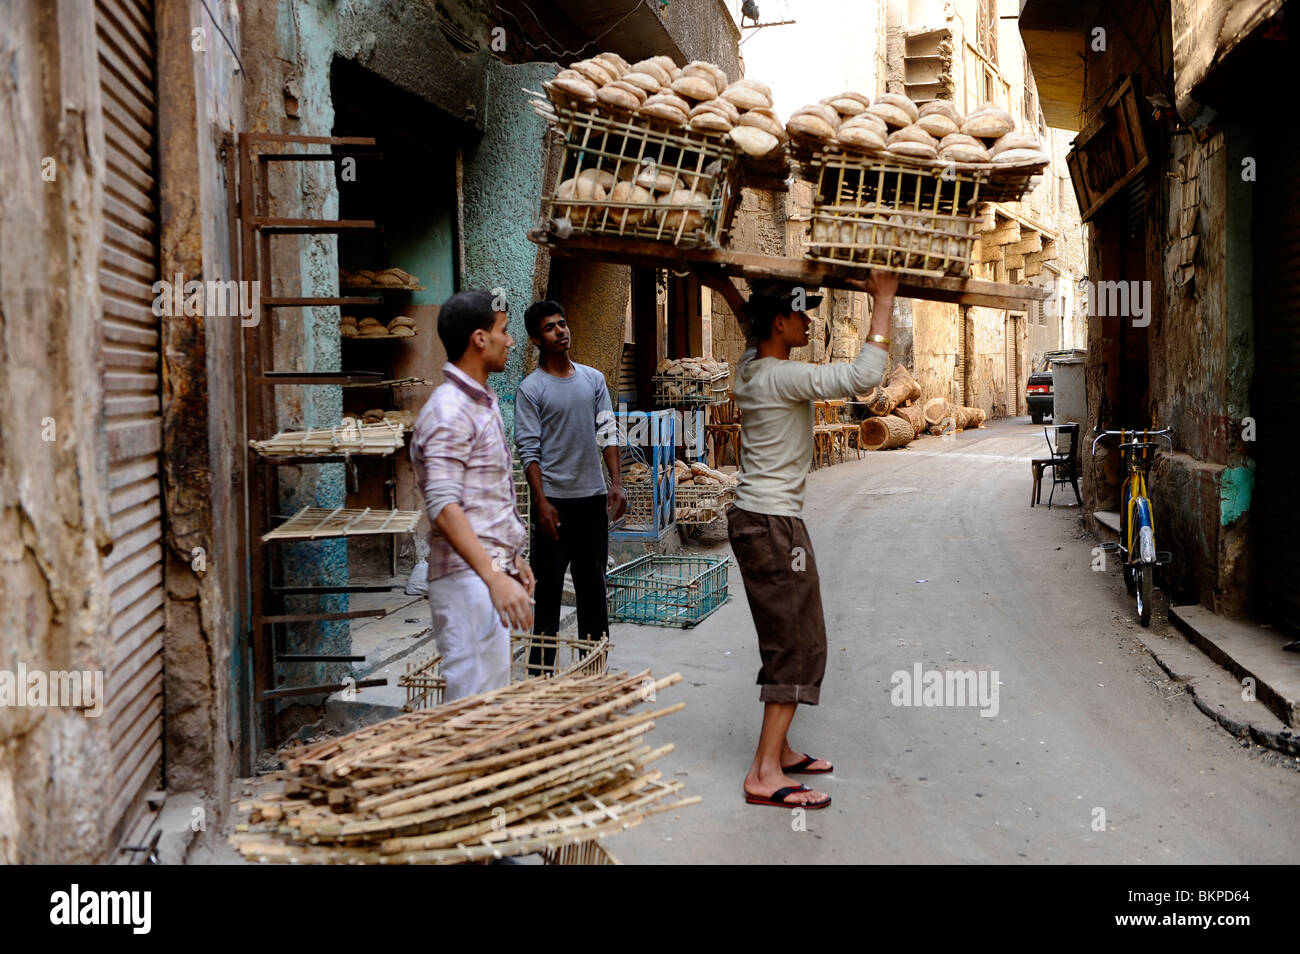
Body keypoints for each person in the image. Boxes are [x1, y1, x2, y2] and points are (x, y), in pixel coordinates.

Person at [703, 271, 898, 810]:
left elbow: (750, 326)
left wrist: (720, 287)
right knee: (798, 644)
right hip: (772, 526)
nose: (809, 322)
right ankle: (763, 773)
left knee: (785, 634)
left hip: (763, 521)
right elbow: (862, 377)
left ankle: (780, 748)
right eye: (801, 314)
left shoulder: (750, 367)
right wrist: (883, 299)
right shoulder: (779, 378)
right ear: (780, 323)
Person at [409, 289, 536, 700]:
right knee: (470, 710)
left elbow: (483, 500)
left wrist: (510, 557)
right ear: (480, 339)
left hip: (482, 575)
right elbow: (444, 506)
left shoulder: (480, 403)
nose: (511, 340)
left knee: (488, 707)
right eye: (504, 330)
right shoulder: (450, 410)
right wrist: (491, 575)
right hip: (467, 580)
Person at [515, 300, 626, 672]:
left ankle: (593, 674)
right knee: (546, 596)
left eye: (562, 323)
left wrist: (617, 482)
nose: (561, 331)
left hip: (592, 503)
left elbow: (608, 431)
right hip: (553, 508)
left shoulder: (593, 380)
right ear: (536, 339)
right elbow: (528, 450)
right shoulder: (531, 389)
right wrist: (541, 503)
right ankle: (540, 679)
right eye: (550, 327)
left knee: (593, 592)